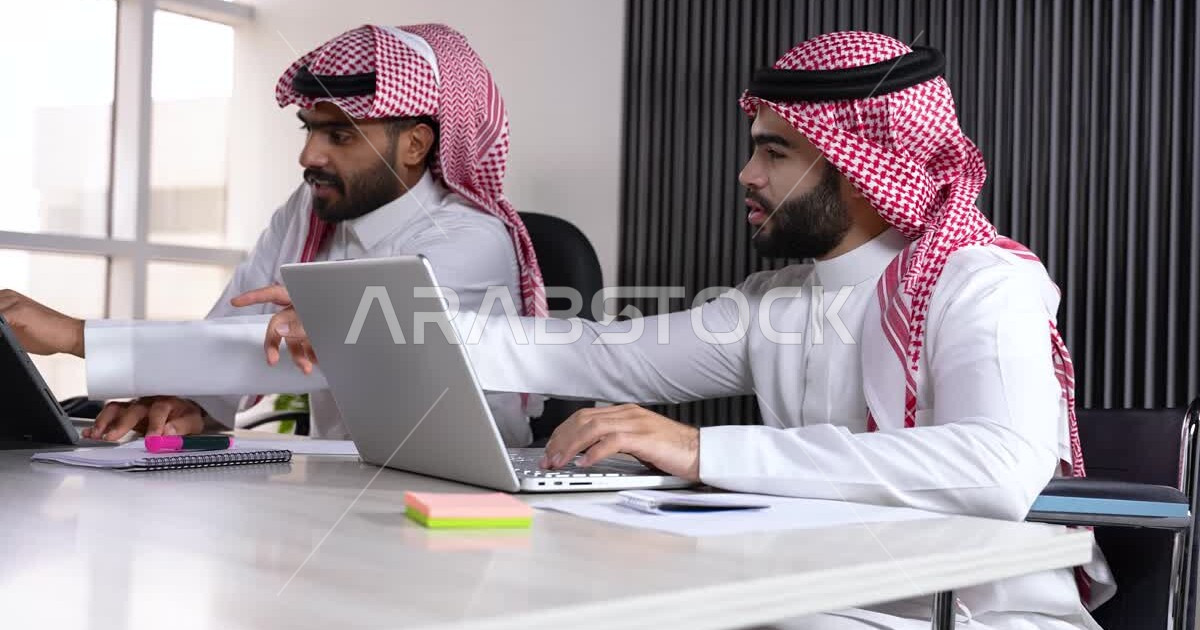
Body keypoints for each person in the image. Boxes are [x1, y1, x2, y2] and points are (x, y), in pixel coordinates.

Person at [242, 31, 1117, 629]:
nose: (747, 172)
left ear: (854, 171)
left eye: (775, 150)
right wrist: (368, 320)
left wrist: (703, 452)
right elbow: (590, 351)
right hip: (833, 596)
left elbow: (995, 467)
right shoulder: (778, 299)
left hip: (978, 612)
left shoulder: (985, 282)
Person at [0, 23, 545, 446]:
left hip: (469, 501)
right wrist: (191, 403)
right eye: (310, 129)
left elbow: (328, 351)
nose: (310, 156)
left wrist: (76, 336)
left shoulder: (470, 241)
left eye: (341, 134)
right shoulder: (307, 213)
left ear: (416, 144)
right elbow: (236, 327)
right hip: (342, 486)